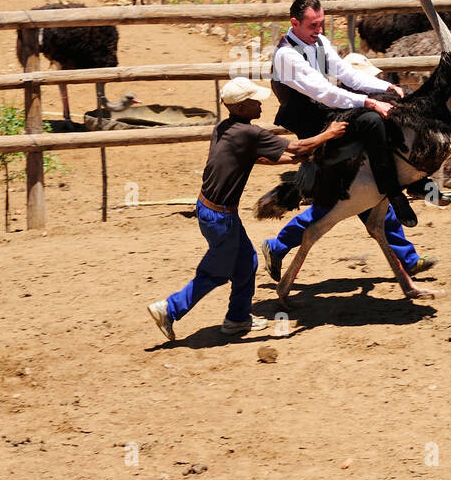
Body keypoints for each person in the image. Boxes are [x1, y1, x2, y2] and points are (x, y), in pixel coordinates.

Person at [147, 77, 346, 343]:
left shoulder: (226, 127)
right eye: (254, 102)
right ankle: (169, 309)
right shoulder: (249, 132)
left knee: (247, 262)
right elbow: (296, 146)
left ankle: (237, 319)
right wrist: (329, 134)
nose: (260, 104)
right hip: (221, 217)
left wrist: (299, 158)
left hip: (210, 209)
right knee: (215, 273)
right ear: (240, 108)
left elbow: (259, 156)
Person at [259, 0, 437, 281]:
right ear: (295, 23)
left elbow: (349, 76)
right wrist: (369, 103)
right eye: (313, 25)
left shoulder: (318, 42)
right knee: (350, 193)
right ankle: (278, 245)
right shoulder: (286, 56)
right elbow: (324, 93)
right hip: (315, 129)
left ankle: (407, 255)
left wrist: (386, 88)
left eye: (322, 24)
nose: (319, 30)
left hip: (332, 119)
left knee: (363, 188)